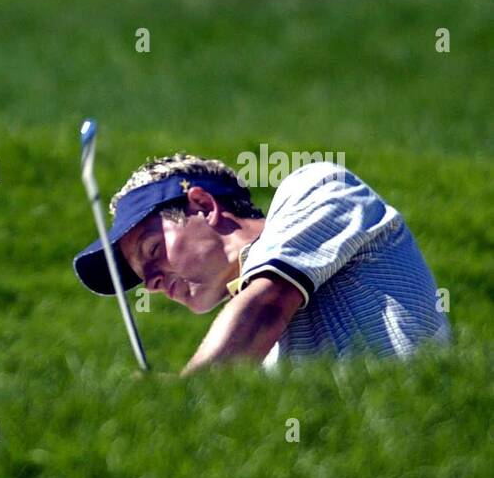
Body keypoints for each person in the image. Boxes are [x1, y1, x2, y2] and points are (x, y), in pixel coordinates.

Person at [72, 155, 449, 373]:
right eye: (143, 278)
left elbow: (268, 304)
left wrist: (184, 399)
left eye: (153, 251)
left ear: (203, 206)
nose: (152, 282)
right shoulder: (258, 361)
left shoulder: (318, 185)